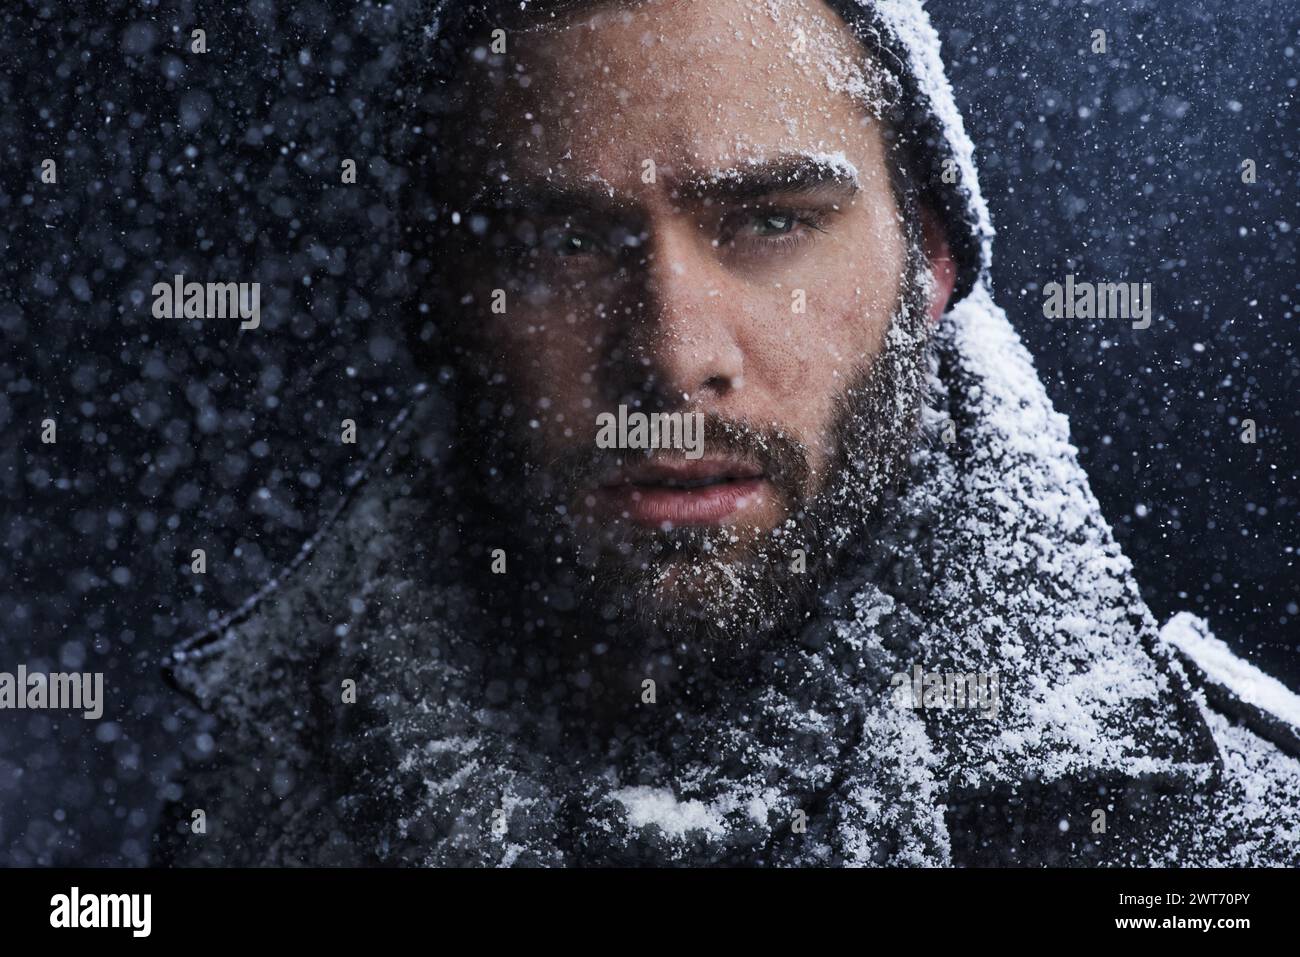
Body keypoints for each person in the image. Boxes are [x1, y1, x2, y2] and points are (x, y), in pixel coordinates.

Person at [155, 0, 1300, 866]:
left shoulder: (1227, 841)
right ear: (447, 301)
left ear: (933, 265)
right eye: (561, 243)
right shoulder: (244, 820)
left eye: (768, 220)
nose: (669, 352)